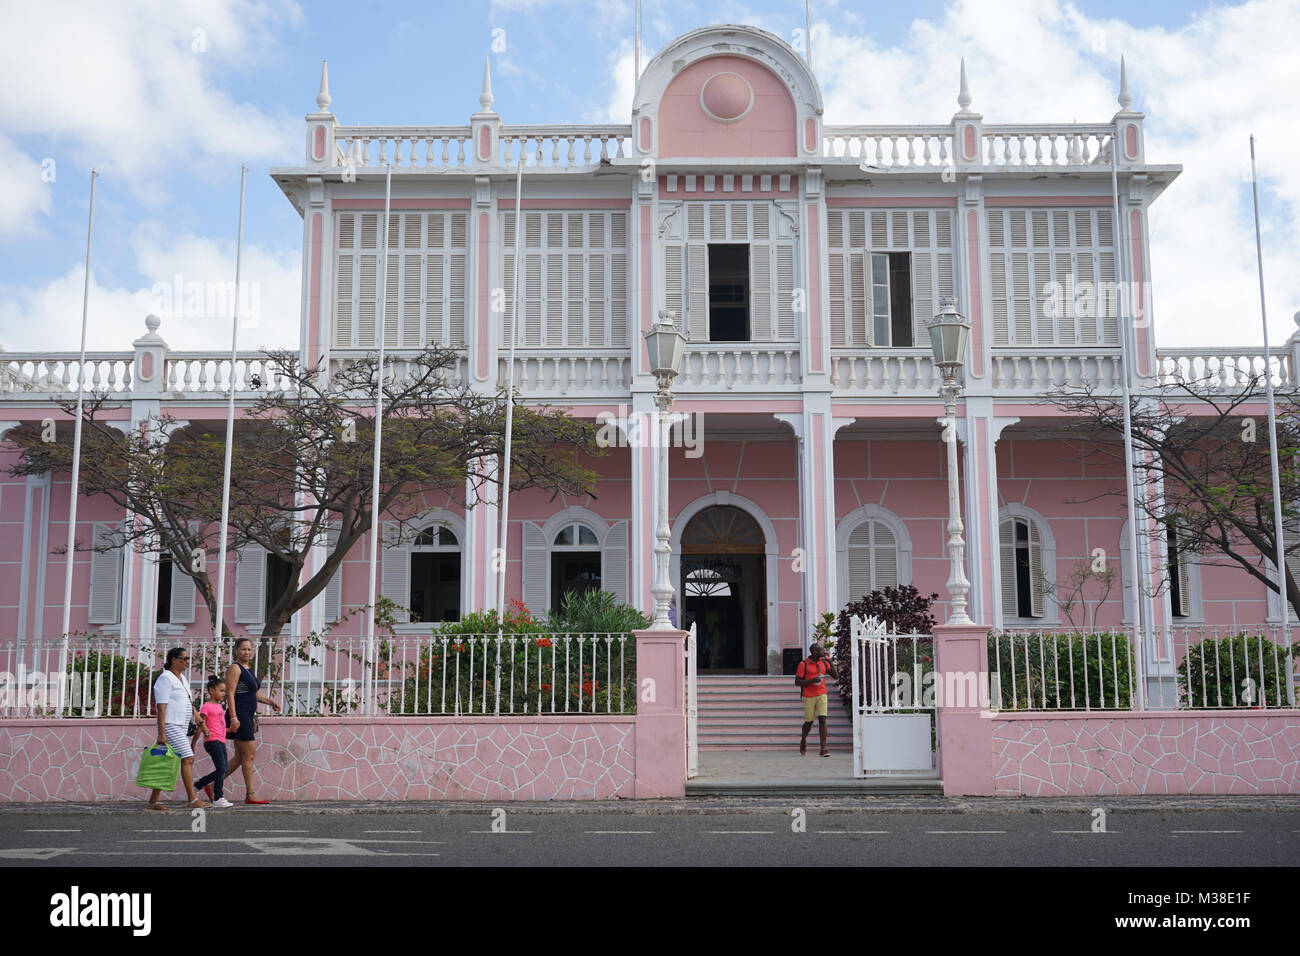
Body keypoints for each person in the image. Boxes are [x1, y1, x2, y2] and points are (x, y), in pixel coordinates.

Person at [148, 647, 210, 811]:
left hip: (181, 725)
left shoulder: (181, 678)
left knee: (168, 761)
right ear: (174, 660)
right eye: (184, 658)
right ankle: (192, 799)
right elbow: (161, 707)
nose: (187, 662)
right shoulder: (165, 679)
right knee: (188, 758)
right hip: (170, 725)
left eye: (188, 659)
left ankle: (153, 801)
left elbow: (189, 703)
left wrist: (201, 723)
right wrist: (161, 733)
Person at [223, 637, 282, 805]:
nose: (247, 652)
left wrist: (271, 702)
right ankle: (250, 794)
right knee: (249, 755)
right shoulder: (235, 668)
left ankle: (211, 785)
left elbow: (253, 693)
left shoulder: (248, 669)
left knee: (240, 758)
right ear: (236, 650)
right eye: (243, 649)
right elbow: (230, 694)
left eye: (249, 649)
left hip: (247, 715)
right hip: (240, 715)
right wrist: (233, 717)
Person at [192, 676, 234, 808]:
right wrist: (192, 744)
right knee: (222, 769)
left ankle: (199, 784)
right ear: (211, 691)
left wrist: (229, 729)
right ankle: (218, 797)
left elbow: (219, 726)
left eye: (224, 691)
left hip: (220, 741)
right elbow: (201, 724)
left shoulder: (219, 707)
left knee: (223, 769)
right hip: (212, 741)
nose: (224, 694)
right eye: (221, 691)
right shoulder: (207, 707)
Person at [795, 641, 838, 757]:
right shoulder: (803, 664)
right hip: (809, 696)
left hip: (822, 694)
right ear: (814, 652)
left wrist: (830, 661)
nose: (823, 651)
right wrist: (811, 681)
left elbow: (835, 676)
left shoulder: (824, 663)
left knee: (823, 719)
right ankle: (803, 740)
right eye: (820, 650)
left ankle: (823, 748)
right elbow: (797, 682)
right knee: (809, 722)